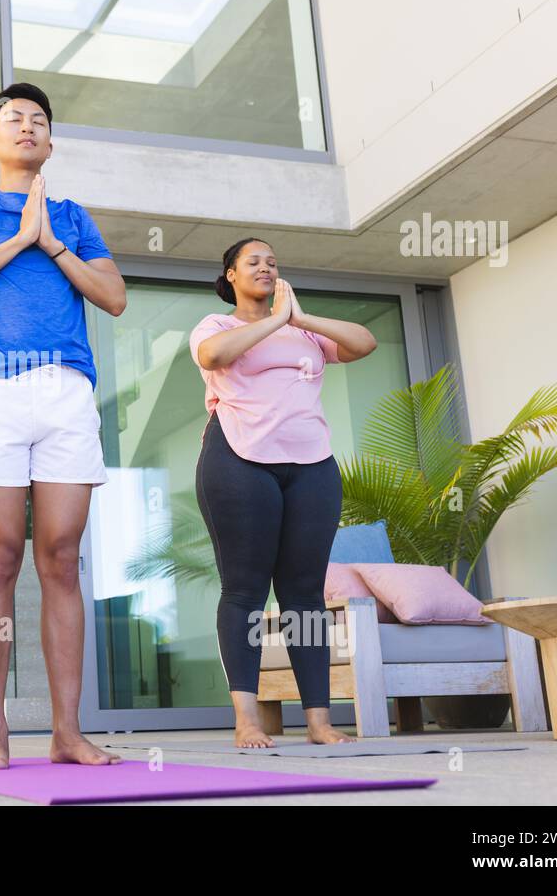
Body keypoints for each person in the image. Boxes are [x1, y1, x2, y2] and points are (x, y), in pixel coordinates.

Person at [0, 82, 127, 770]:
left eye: (39, 120)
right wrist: (18, 239)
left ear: (50, 141)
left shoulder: (72, 214)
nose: (28, 126)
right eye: (14, 118)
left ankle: (68, 732)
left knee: (62, 559)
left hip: (67, 389)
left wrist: (53, 243)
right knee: (0, 554)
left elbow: (115, 296)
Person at [188, 237, 377, 748]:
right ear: (230, 274)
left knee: (305, 596)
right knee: (245, 590)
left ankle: (318, 720)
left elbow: (363, 343)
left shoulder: (304, 335)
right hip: (240, 463)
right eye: (254, 262)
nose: (266, 268)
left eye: (272, 263)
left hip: (311, 465)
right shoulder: (218, 326)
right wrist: (273, 321)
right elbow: (213, 355)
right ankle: (246, 719)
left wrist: (301, 319)